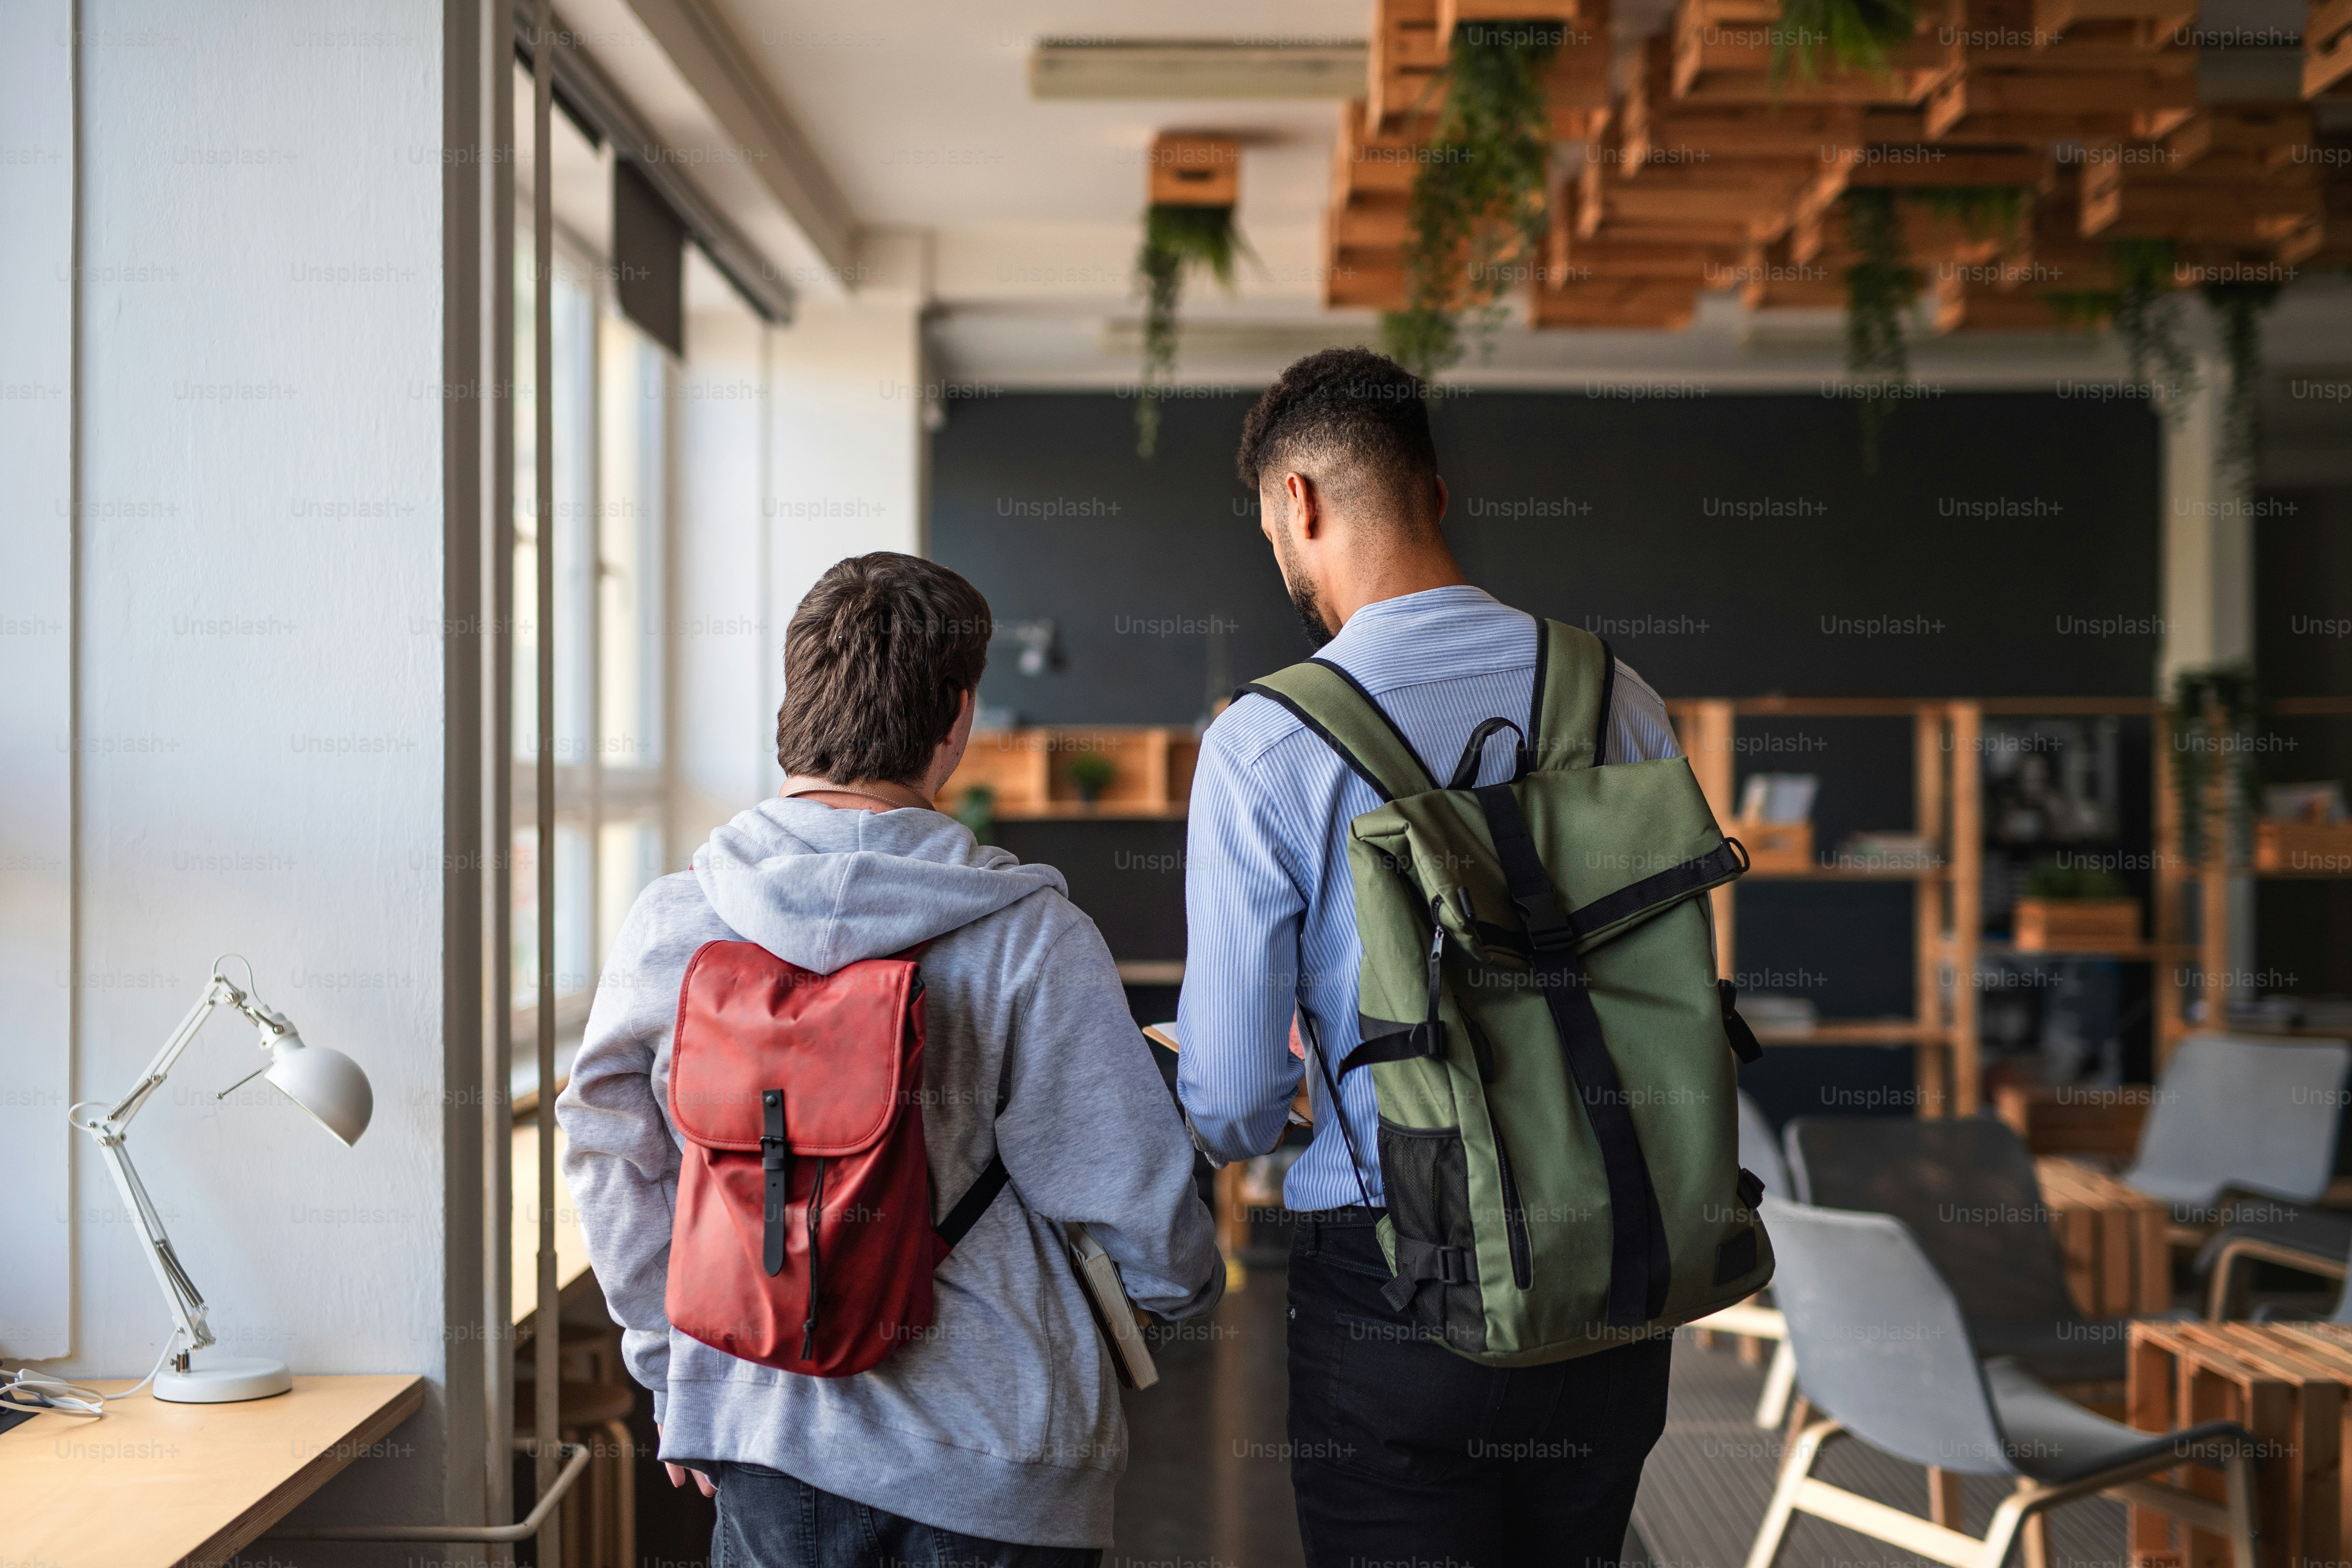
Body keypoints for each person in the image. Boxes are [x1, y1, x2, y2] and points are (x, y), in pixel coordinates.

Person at [559, 551, 1222, 1568]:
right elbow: (1132, 1195)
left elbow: (608, 1154)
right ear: (955, 717)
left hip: (762, 1426)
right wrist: (1182, 1290)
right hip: (998, 1454)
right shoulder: (1032, 936)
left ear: (794, 702)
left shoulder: (675, 922)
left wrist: (675, 1368)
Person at [1175, 348, 1683, 1568]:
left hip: (1394, 1282)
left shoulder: (1261, 742)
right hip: (1610, 1262)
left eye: (1272, 532)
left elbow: (1234, 1105)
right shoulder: (1618, 695)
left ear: (1297, 501)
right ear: (1437, 496)